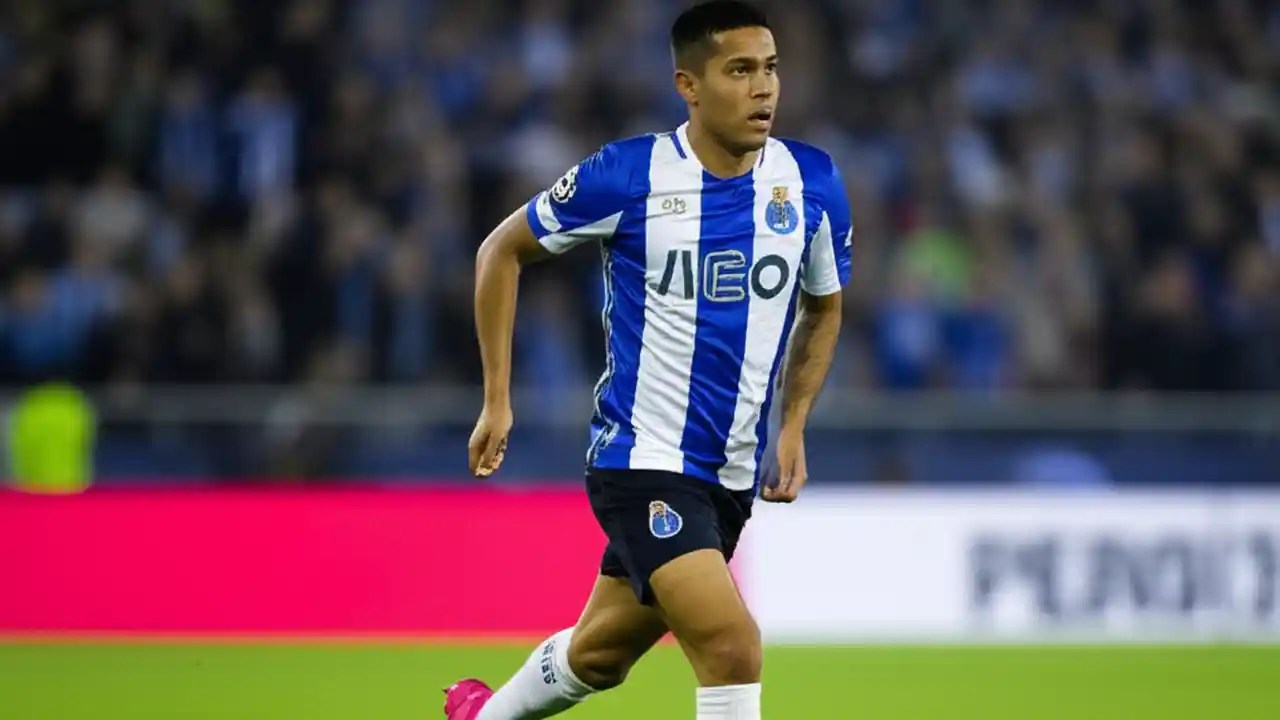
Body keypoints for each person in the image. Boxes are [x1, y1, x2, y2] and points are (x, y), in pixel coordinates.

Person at [447, 2, 851, 718]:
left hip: (727, 475)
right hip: (642, 460)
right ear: (688, 85)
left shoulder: (812, 184)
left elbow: (823, 305)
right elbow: (500, 251)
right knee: (731, 646)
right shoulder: (629, 175)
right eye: (739, 71)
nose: (764, 88)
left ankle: (483, 715)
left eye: (770, 69)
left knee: (600, 655)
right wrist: (497, 398)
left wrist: (793, 426)